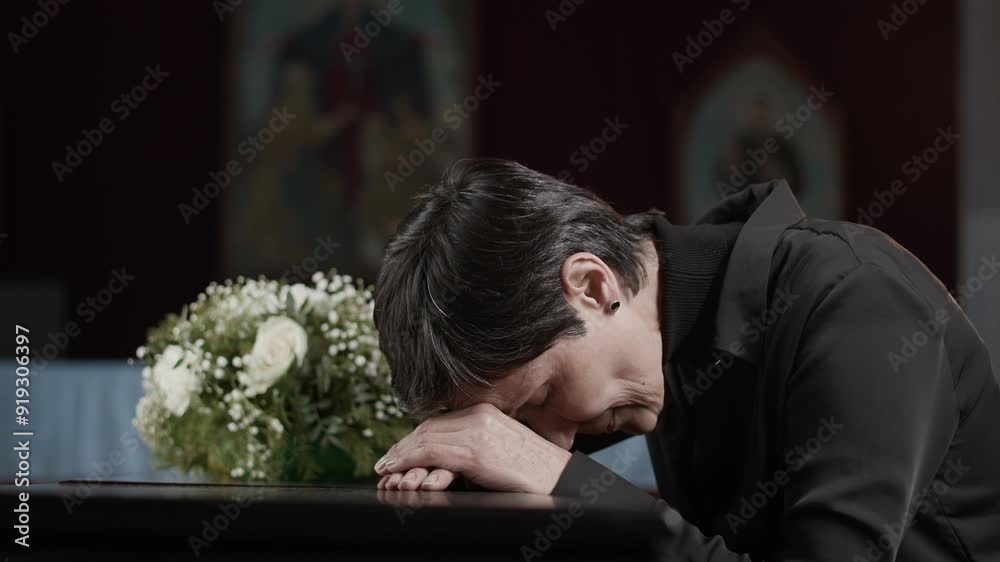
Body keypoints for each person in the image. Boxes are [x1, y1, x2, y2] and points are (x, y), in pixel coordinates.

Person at [371, 158, 1000, 560]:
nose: (557, 442)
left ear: (593, 287)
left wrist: (570, 485)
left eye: (538, 399)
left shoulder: (858, 304)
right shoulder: (662, 335)